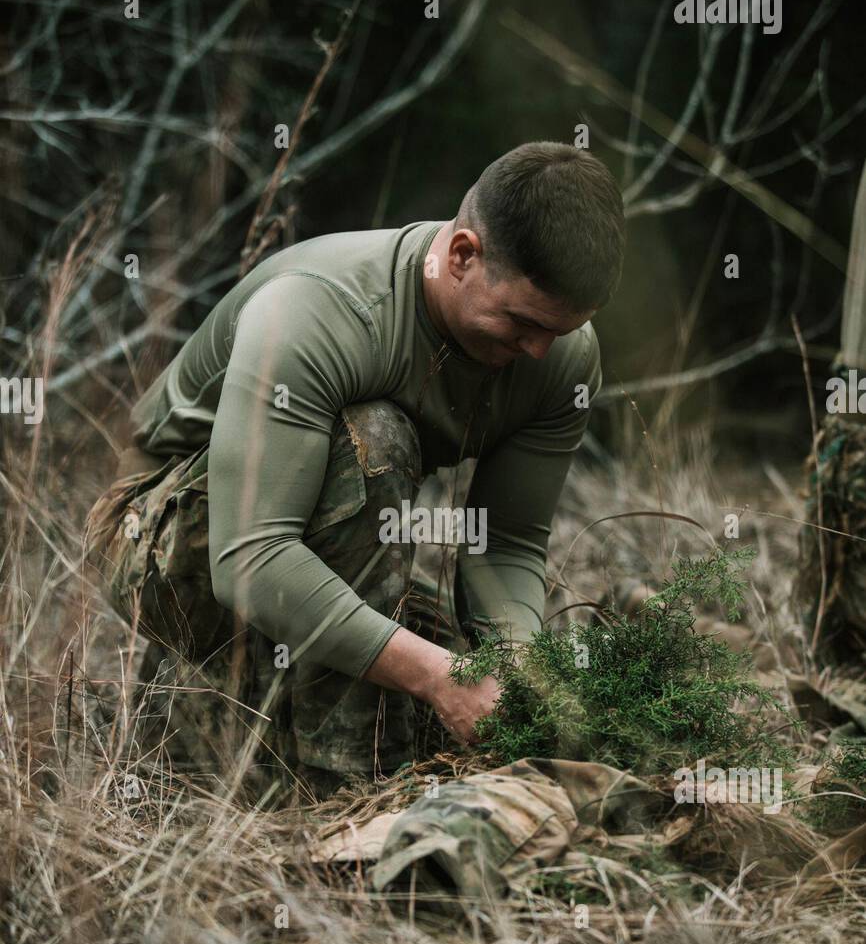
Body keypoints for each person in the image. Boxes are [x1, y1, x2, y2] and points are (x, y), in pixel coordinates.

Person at [84, 141, 625, 794]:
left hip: (311, 534)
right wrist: (436, 675)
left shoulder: (561, 358)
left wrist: (512, 667)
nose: (539, 351)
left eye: (560, 332)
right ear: (462, 256)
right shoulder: (320, 309)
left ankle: (245, 727)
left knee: (483, 677)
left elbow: (506, 544)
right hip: (161, 540)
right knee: (379, 439)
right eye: (522, 323)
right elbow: (249, 558)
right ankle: (334, 793)